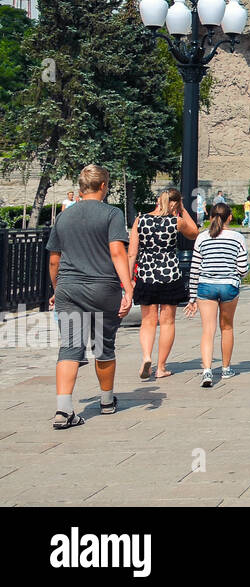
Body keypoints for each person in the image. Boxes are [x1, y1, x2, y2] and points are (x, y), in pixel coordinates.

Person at [47, 165, 132, 429]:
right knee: (104, 346)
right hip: (103, 288)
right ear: (104, 186)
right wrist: (128, 289)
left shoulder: (64, 217)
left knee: (69, 348)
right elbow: (117, 252)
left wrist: (56, 288)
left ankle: (63, 410)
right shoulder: (111, 214)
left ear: (81, 187)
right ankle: (106, 402)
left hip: (69, 288)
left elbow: (54, 260)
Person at [130, 186, 199, 380]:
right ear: (175, 203)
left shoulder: (140, 220)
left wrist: (129, 279)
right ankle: (160, 367)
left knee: (147, 321)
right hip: (170, 275)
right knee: (167, 322)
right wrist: (183, 209)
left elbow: (132, 252)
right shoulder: (175, 221)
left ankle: (146, 357)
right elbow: (194, 233)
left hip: (146, 275)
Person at [185, 202, 249, 387]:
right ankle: (226, 368)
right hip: (229, 285)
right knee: (227, 327)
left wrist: (191, 298)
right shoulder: (237, 237)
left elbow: (195, 268)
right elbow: (243, 268)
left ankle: (207, 370)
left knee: (208, 330)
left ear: (211, 217)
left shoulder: (202, 237)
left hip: (206, 286)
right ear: (229, 217)